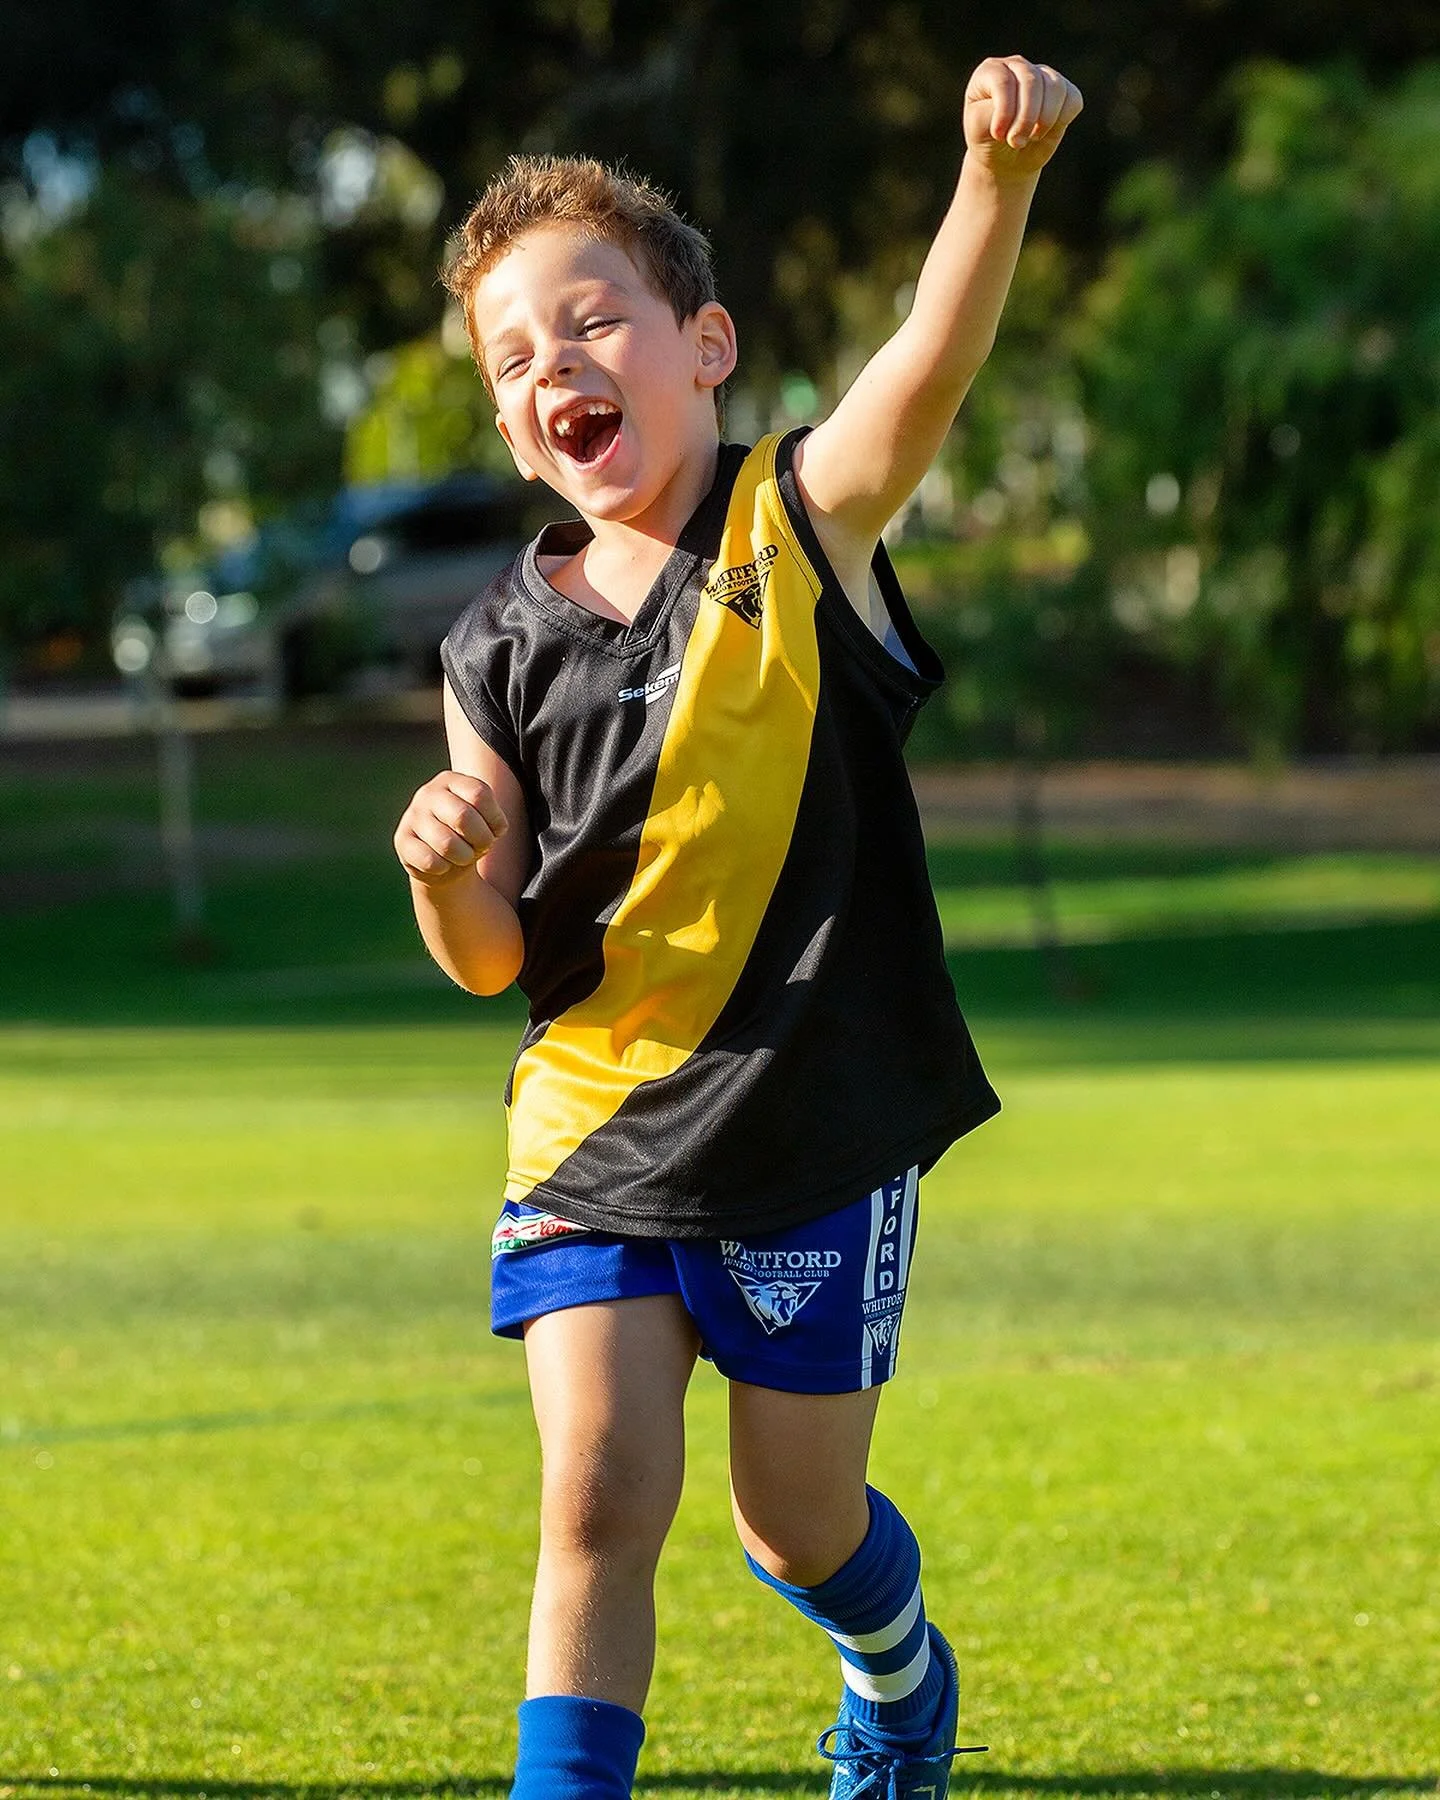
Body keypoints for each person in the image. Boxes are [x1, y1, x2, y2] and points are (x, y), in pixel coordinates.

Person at [394, 54, 1082, 1800]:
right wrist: (438, 864)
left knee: (796, 1522)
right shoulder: (491, 646)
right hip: (592, 1122)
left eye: (595, 321)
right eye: (516, 359)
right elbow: (488, 955)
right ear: (502, 424)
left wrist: (994, 185)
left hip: (815, 1127)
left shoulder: (800, 521)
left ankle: (897, 1677)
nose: (559, 369)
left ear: (703, 346)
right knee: (600, 1494)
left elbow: (926, 372)